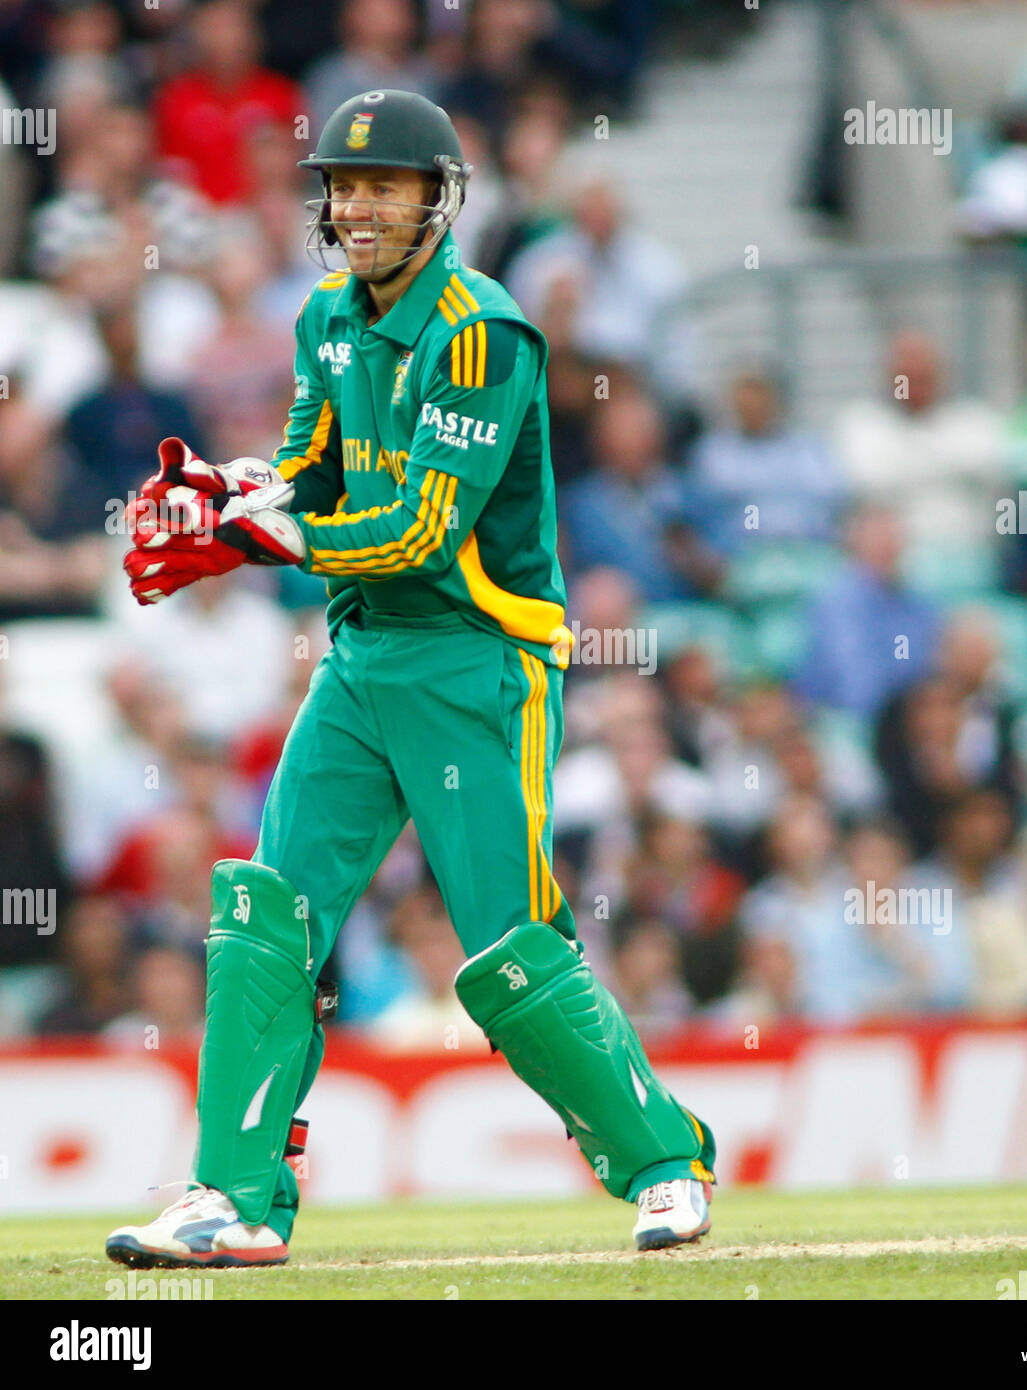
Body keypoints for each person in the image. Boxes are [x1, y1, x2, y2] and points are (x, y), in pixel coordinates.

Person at [108, 90, 715, 1269]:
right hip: (362, 655)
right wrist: (230, 499)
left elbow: (426, 531)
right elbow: (307, 471)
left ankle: (664, 1162)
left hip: (478, 658)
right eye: (345, 185)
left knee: (505, 949)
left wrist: (274, 538)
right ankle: (234, 1196)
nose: (361, 205)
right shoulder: (324, 317)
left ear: (440, 200)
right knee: (266, 910)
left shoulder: (484, 333)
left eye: (386, 185)